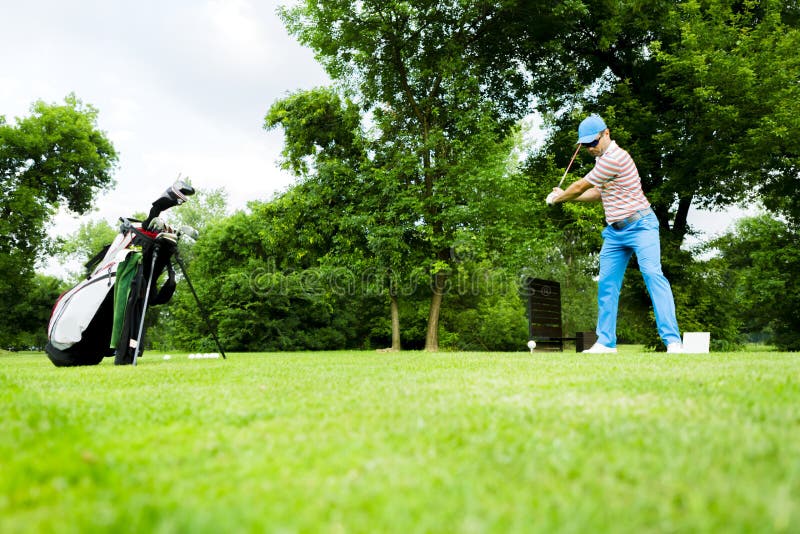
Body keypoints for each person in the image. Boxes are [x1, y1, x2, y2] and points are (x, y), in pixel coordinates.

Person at [545, 114, 684, 353]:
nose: (590, 148)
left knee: (653, 275)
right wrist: (566, 196)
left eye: (593, 142)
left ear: (606, 133)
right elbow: (595, 193)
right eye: (585, 145)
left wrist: (560, 196)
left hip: (641, 225)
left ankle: (673, 341)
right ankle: (606, 343)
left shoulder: (616, 158)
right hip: (615, 232)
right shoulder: (602, 161)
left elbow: (580, 186)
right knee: (607, 285)